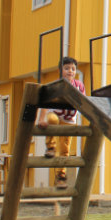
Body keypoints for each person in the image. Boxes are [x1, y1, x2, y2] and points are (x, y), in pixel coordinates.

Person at [36, 56, 86, 189]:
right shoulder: (56, 85)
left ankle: (61, 176)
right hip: (56, 113)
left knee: (65, 149)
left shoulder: (79, 86)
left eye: (73, 69)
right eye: (67, 68)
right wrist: (41, 119)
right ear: (61, 70)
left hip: (69, 118)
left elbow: (84, 102)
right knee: (51, 119)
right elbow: (45, 103)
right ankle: (51, 147)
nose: (70, 71)